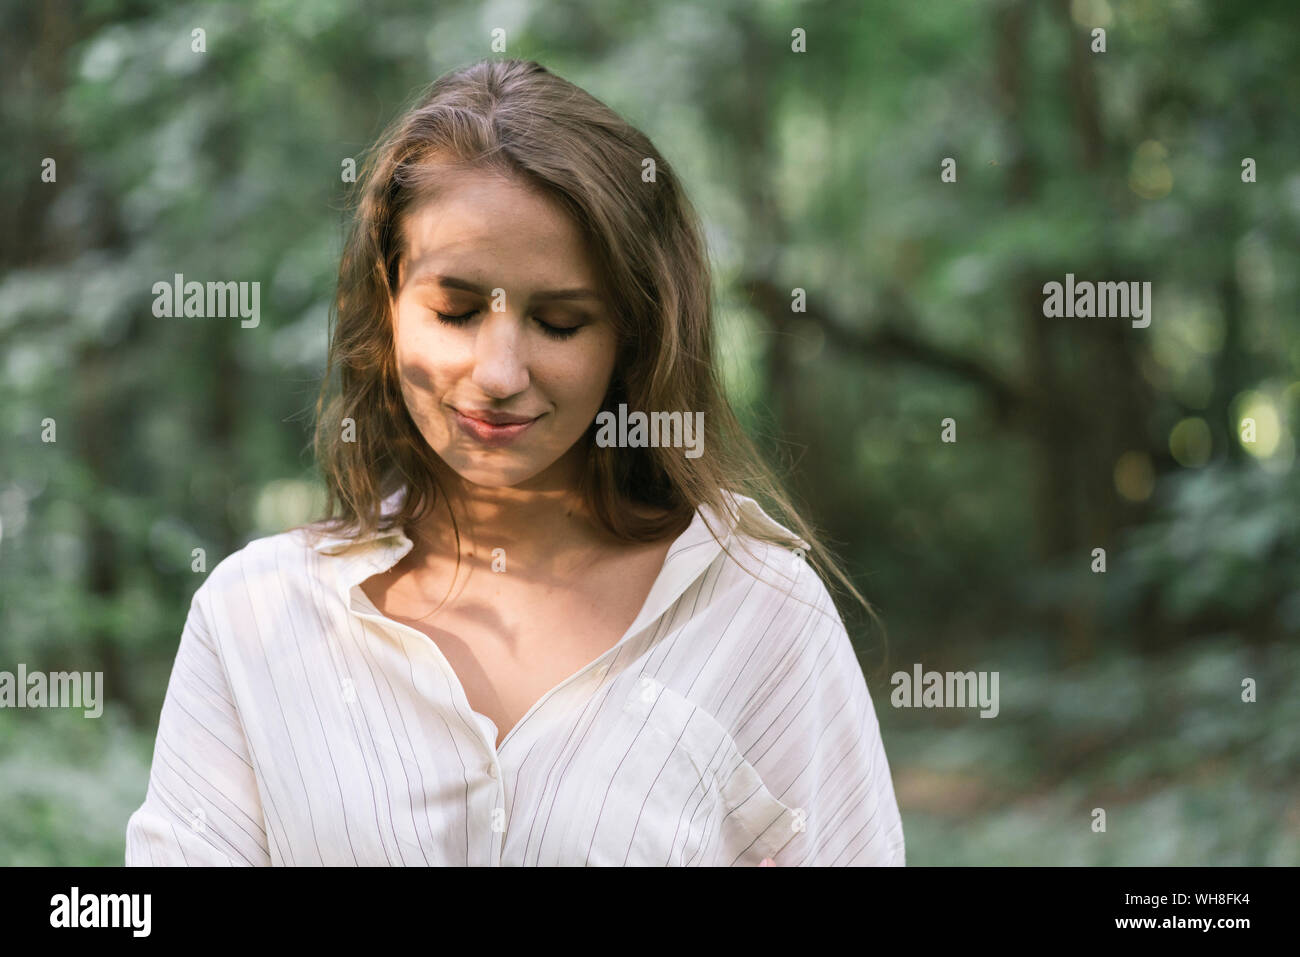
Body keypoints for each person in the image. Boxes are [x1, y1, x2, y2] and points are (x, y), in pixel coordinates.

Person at [125, 58, 904, 867]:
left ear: (630, 337)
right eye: (455, 312)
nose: (499, 375)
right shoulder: (254, 618)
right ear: (386, 305)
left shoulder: (759, 610)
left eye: (561, 323)